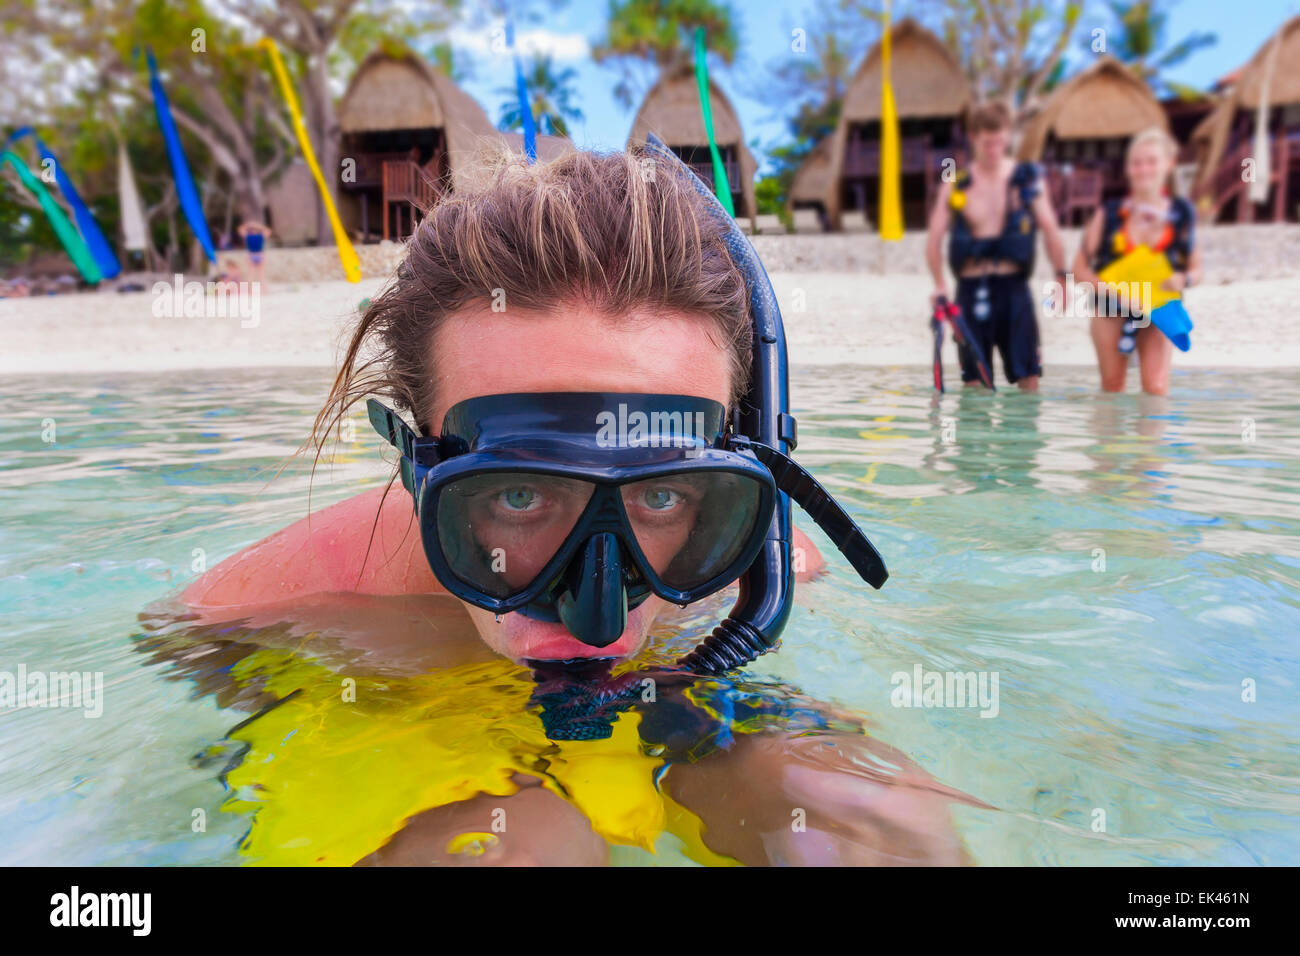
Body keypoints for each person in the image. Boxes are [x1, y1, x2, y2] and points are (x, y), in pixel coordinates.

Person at [178, 143, 975, 866]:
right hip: (418, 725)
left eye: (663, 494)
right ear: (414, 460)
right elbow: (190, 649)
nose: (598, 615)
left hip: (685, 702)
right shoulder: (288, 590)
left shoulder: (760, 569)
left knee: (860, 827)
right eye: (518, 495)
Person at [926, 100, 1069, 392]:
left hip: (1014, 290)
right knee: (975, 383)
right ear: (974, 138)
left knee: (1029, 378)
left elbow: (1051, 228)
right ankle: (975, 437)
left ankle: (1024, 437)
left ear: (1008, 137)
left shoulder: (1026, 180)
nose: (994, 150)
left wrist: (1061, 276)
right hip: (970, 289)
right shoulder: (956, 183)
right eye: (988, 143)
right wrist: (940, 284)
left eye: (1000, 142)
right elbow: (934, 239)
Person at [1070, 127, 1202, 396]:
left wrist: (1184, 279)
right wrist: (1119, 294)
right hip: (1111, 309)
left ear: (1169, 164)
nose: (1144, 169)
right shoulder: (1107, 214)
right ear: (1128, 168)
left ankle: (1153, 438)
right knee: (1112, 387)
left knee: (1155, 388)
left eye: (1151, 161)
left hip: (1160, 305)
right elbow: (1079, 270)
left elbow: (1196, 269)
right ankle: (1107, 437)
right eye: (1137, 163)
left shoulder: (1183, 213)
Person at [237, 218, 271, 283]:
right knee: (260, 275)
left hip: (252, 255)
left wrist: (249, 225)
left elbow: (240, 229)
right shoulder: (260, 236)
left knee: (252, 274)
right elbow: (268, 231)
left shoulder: (248, 236)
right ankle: (264, 290)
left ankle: (251, 291)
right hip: (259, 255)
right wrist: (258, 226)